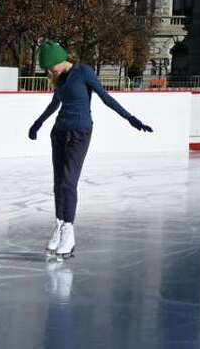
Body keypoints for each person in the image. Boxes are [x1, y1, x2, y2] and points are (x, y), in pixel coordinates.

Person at [28, 41, 153, 257]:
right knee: (58, 184)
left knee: (68, 182)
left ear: (61, 59)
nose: (49, 72)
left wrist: (131, 119)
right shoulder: (61, 79)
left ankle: (69, 231)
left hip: (79, 133)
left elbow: (106, 98)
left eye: (50, 67)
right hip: (58, 133)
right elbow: (54, 104)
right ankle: (59, 225)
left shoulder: (83, 72)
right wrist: (38, 123)